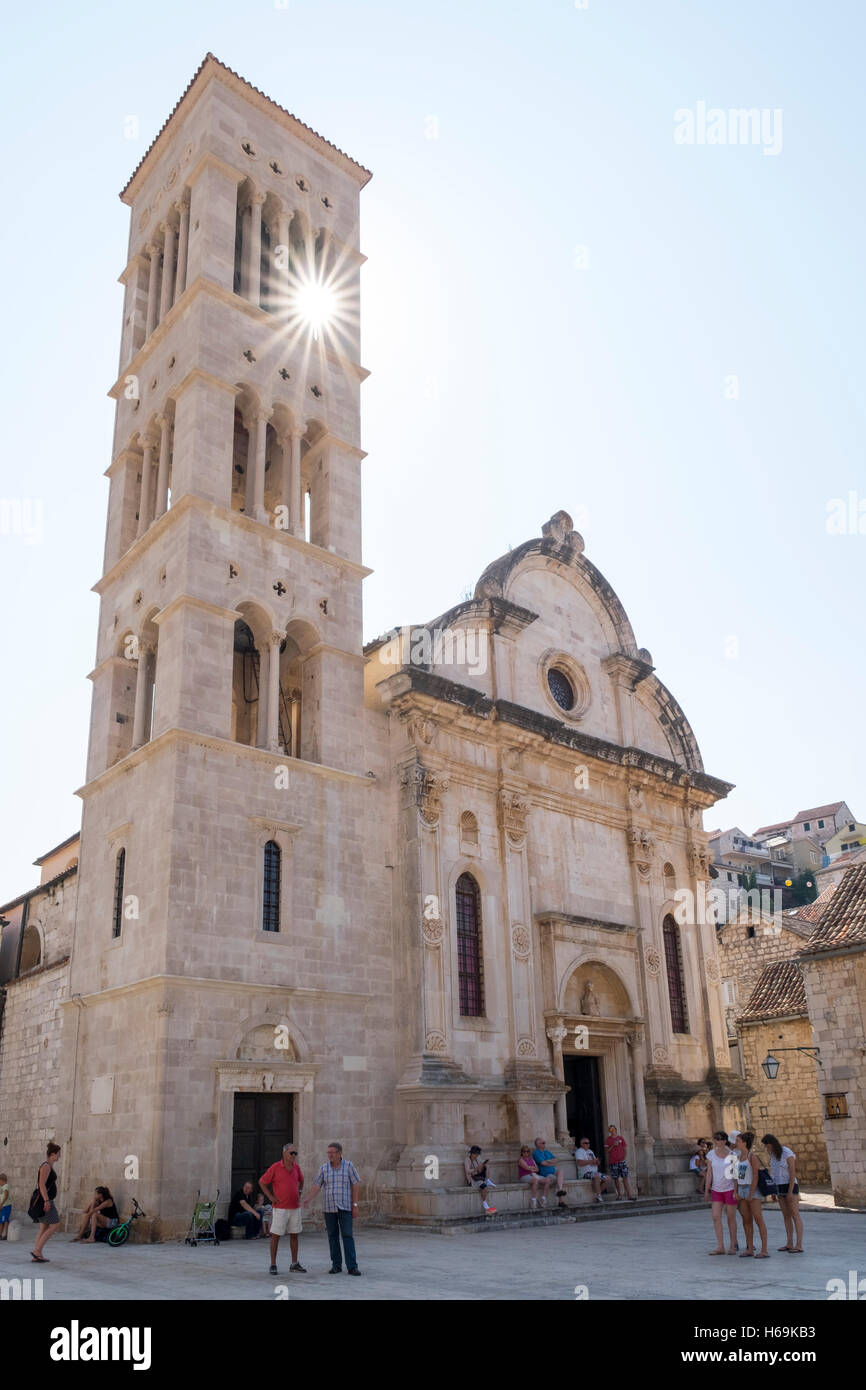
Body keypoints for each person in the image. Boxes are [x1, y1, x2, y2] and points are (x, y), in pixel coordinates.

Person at [303, 1142, 361, 1274]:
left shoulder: (348, 1166)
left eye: (332, 1152)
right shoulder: (324, 1168)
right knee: (332, 1237)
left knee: (347, 1236)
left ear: (339, 1153)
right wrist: (308, 1198)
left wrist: (355, 1205)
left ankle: (352, 1266)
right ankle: (336, 1265)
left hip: (345, 1207)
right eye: (328, 1153)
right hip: (329, 1209)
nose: (329, 1155)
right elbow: (317, 1185)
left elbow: (355, 1185)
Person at [259, 1143, 305, 1275]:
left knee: (294, 1235)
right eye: (291, 1153)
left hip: (295, 1207)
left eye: (295, 1153)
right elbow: (262, 1182)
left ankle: (294, 1263)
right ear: (284, 1154)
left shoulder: (296, 1167)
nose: (294, 1156)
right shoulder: (275, 1167)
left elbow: (302, 1180)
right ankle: (273, 1264)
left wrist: (300, 1191)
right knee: (276, 1236)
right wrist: (270, 1197)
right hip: (280, 1208)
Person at [761, 1134, 803, 1253]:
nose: (766, 1148)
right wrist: (774, 1191)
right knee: (786, 1216)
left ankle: (799, 1245)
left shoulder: (786, 1152)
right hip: (779, 1186)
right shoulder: (773, 1155)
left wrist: (790, 1191)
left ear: (770, 1144)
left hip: (790, 1185)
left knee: (795, 1215)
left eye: (766, 1146)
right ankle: (789, 1243)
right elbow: (774, 1173)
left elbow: (792, 1171)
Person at [734, 1132, 769, 1258]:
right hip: (741, 1189)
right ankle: (750, 1248)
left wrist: (751, 1192)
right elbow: (737, 1176)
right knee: (746, 1220)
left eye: (738, 1140)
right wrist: (736, 1191)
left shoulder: (752, 1156)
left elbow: (755, 1175)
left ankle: (764, 1249)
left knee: (758, 1219)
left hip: (751, 1189)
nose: (736, 1142)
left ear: (744, 1142)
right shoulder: (738, 1157)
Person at [705, 1130, 738, 1255]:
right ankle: (720, 1246)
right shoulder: (711, 1154)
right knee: (716, 1217)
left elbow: (735, 1174)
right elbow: (709, 1173)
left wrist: (736, 1190)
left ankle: (732, 1245)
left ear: (725, 1141)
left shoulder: (732, 1154)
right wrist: (706, 1190)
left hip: (730, 1189)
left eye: (719, 1139)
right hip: (716, 1189)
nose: (717, 1141)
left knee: (731, 1218)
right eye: (715, 1139)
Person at [31, 1142, 61, 1263]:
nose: (59, 1156)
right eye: (58, 1154)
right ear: (52, 1154)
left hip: (46, 1200)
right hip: (46, 1201)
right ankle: (37, 1251)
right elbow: (41, 1184)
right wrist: (47, 1200)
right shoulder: (46, 1166)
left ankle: (36, 1254)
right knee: (55, 1224)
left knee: (43, 1227)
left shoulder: (49, 1166)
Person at [574, 1137, 615, 1202]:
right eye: (586, 1143)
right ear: (581, 1144)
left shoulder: (590, 1151)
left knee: (608, 1179)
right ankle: (599, 1196)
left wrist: (597, 1162)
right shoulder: (579, 1151)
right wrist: (591, 1161)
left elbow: (594, 1161)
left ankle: (596, 1194)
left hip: (594, 1172)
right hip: (585, 1173)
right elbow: (580, 1163)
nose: (588, 1144)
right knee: (596, 1176)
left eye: (588, 1143)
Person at [532, 1137, 568, 1207]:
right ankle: (560, 1201)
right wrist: (551, 1162)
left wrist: (549, 1161)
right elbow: (543, 1163)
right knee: (557, 1179)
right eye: (543, 1143)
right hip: (546, 1174)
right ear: (538, 1145)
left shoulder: (547, 1152)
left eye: (544, 1142)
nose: (545, 1144)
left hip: (553, 1171)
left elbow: (557, 1159)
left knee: (560, 1171)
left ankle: (560, 1190)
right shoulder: (536, 1153)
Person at [604, 1124, 636, 1200]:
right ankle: (619, 1195)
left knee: (625, 1178)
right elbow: (607, 1151)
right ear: (609, 1131)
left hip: (622, 1161)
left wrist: (623, 1158)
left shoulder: (621, 1138)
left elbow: (625, 1149)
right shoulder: (608, 1140)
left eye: (613, 1129)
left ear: (616, 1130)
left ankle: (629, 1195)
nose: (612, 1131)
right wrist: (613, 1145)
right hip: (613, 1162)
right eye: (610, 1130)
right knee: (616, 1179)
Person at [464, 1146, 497, 1214]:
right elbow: (467, 1171)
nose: (476, 1155)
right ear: (471, 1153)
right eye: (475, 1154)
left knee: (486, 1166)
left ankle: (487, 1180)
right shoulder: (467, 1160)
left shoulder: (477, 1159)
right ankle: (485, 1204)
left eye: (477, 1154)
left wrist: (482, 1166)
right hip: (472, 1180)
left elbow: (479, 1169)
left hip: (478, 1177)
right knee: (484, 1187)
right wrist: (476, 1169)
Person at [0, 1174, 10, 1239]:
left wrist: (1, 1204)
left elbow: (6, 1196)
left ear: (2, 1180)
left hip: (5, 1206)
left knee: (5, 1220)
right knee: (1, 1220)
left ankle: (6, 1235)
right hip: (3, 1206)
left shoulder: (6, 1186)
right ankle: (0, 1234)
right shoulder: (2, 1187)